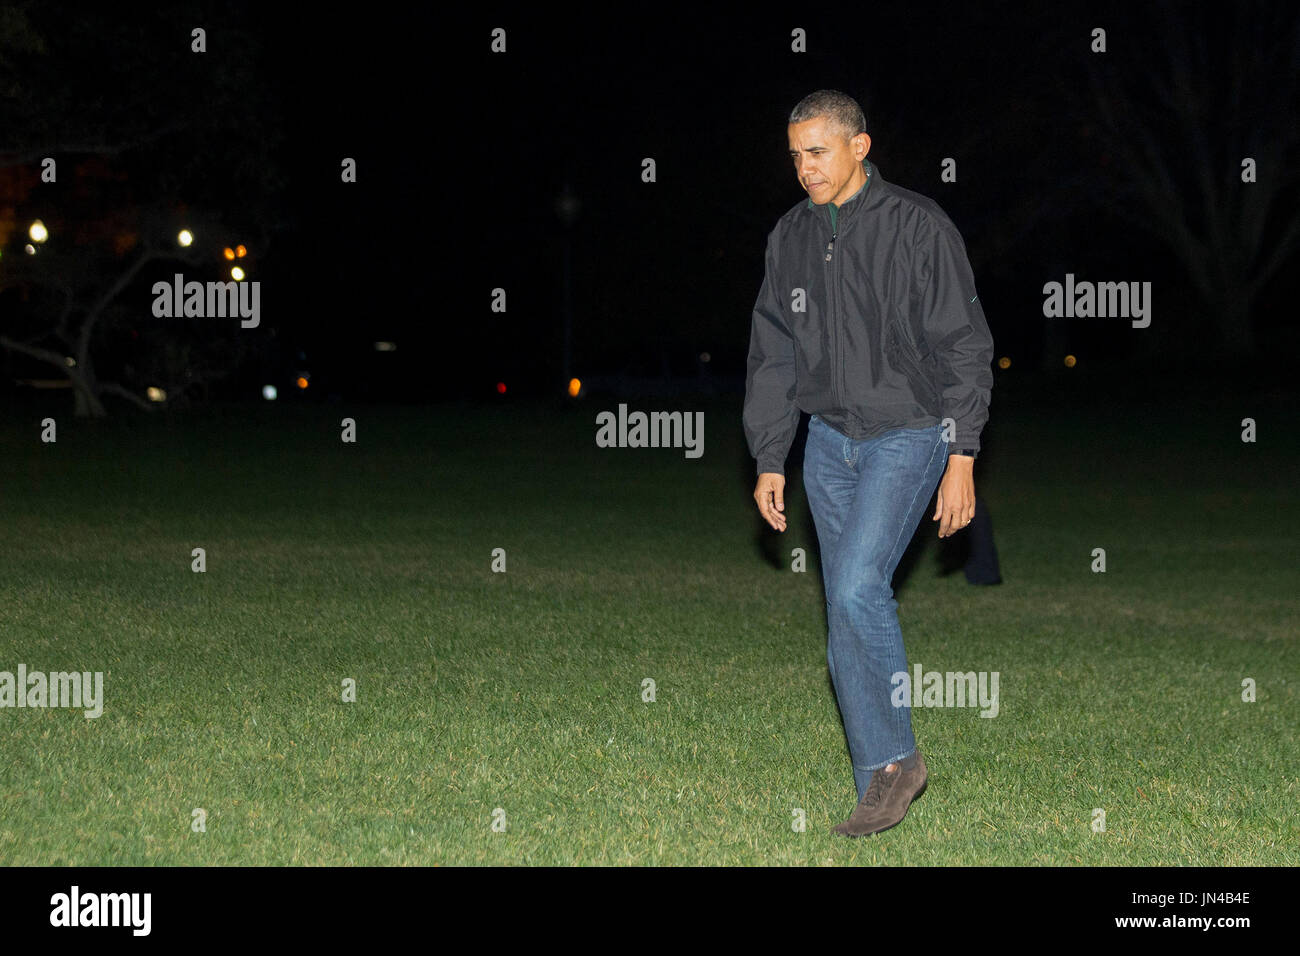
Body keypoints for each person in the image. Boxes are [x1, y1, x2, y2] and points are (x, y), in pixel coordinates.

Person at [742, 90, 994, 836]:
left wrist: (963, 453)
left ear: (859, 146)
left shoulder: (918, 227)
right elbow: (773, 353)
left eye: (817, 151)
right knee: (846, 612)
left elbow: (964, 346)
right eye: (794, 155)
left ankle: (896, 765)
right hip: (827, 442)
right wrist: (769, 455)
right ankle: (873, 786)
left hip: (909, 433)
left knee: (855, 585)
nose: (804, 168)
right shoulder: (788, 236)